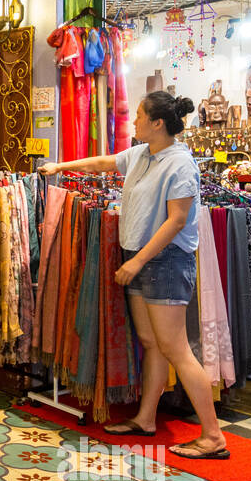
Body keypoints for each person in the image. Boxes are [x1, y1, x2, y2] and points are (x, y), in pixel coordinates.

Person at [40, 90, 228, 460]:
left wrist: (138, 261)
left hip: (165, 261)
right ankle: (145, 418)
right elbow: (105, 163)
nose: (134, 121)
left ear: (158, 123)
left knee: (175, 347)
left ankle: (213, 435)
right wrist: (60, 168)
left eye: (140, 115)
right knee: (151, 342)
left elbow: (176, 220)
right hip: (140, 257)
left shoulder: (180, 163)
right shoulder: (142, 154)